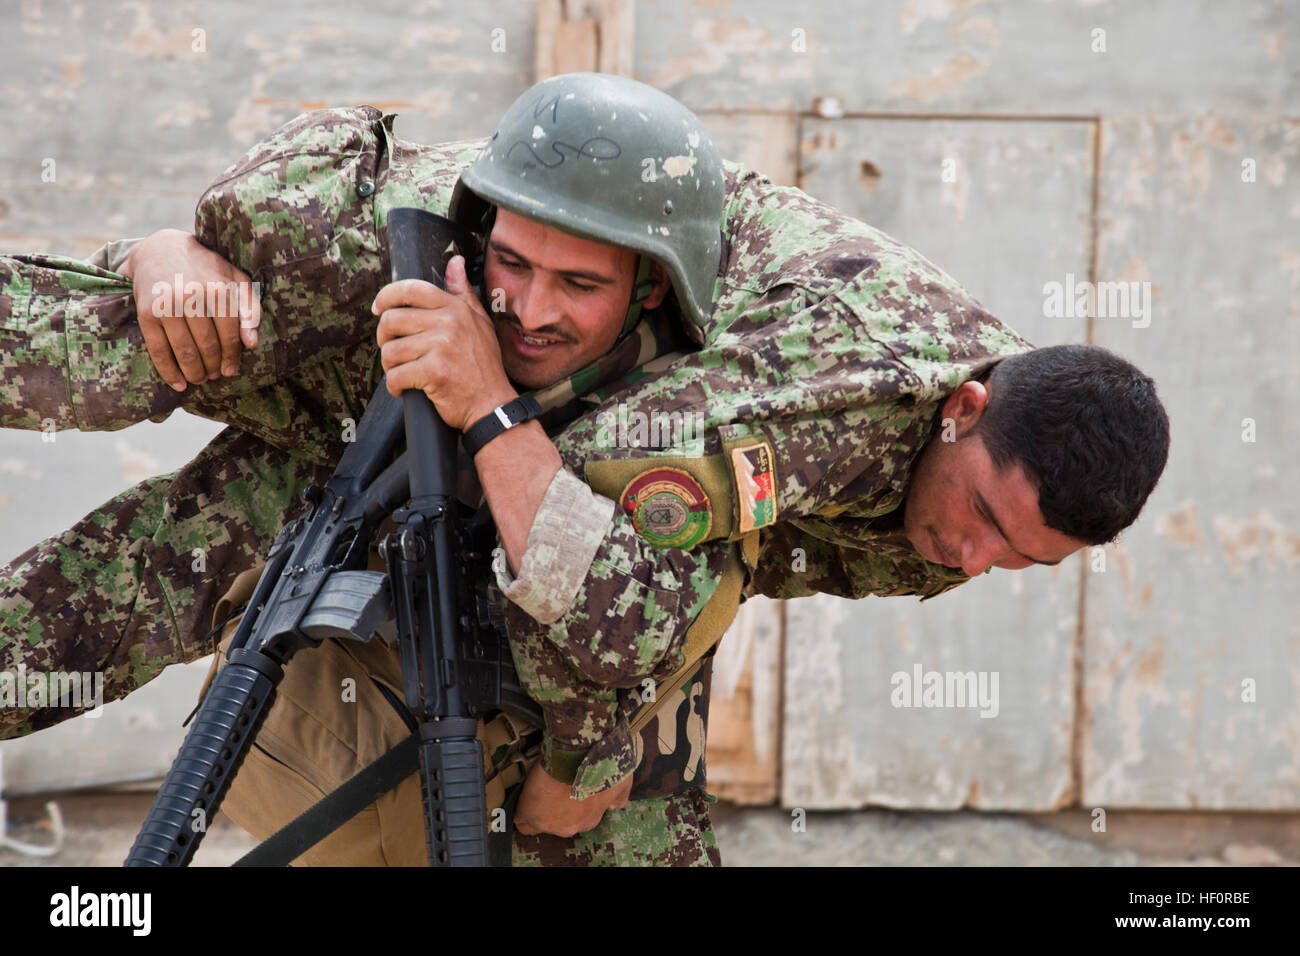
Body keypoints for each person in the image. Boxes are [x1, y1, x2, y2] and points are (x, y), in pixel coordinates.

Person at [0, 73, 1170, 865]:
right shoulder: (826, 395)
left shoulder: (999, 440)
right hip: (399, 351)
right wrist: (163, 254)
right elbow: (602, 576)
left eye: (1016, 558)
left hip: (551, 469)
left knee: (616, 827)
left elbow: (661, 589)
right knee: (117, 419)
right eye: (981, 520)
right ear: (964, 409)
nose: (973, 557)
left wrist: (592, 762)